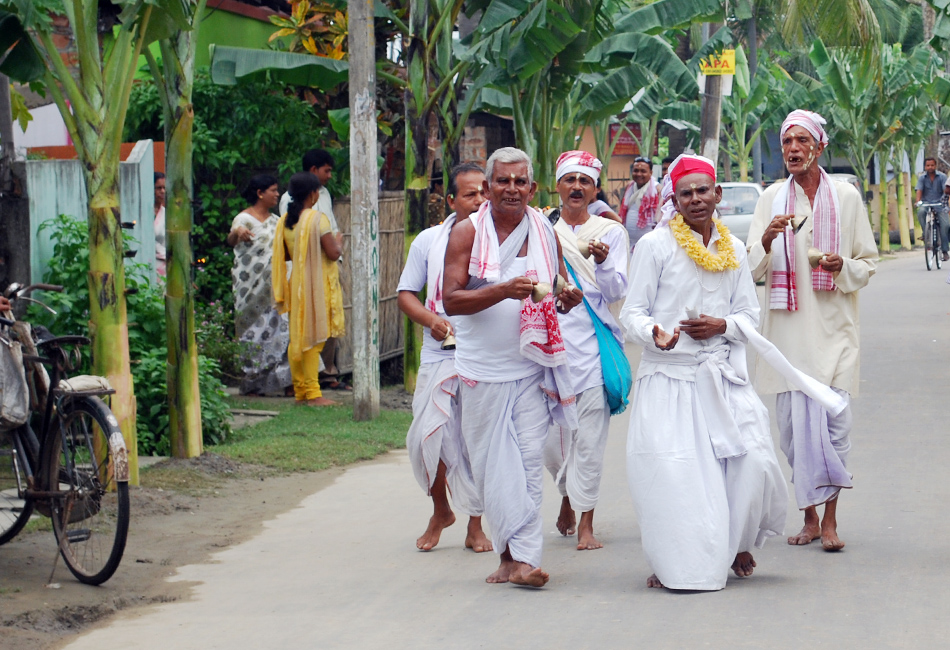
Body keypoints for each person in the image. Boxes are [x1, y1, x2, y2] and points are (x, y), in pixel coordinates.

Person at [621, 154, 788, 591]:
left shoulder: (733, 249)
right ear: (674, 200)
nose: (695, 199)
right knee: (676, 476)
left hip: (721, 374)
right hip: (668, 378)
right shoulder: (654, 246)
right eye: (685, 193)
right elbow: (632, 313)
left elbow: (748, 314)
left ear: (717, 194)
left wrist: (722, 326)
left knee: (753, 462)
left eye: (702, 190)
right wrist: (654, 332)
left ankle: (738, 542)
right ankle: (673, 561)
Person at [442, 147, 583, 588]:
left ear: (533, 188)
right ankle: (508, 557)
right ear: (487, 188)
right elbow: (451, 300)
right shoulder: (466, 232)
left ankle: (523, 560)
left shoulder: (545, 231)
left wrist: (567, 297)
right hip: (482, 371)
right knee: (493, 468)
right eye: (503, 181)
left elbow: (558, 287)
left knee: (526, 463)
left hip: (531, 368)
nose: (512, 189)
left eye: (520, 181)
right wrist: (502, 290)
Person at [747, 110, 877, 551]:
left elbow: (867, 263)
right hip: (787, 337)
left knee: (835, 431)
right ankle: (809, 518)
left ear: (820, 147)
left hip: (835, 332)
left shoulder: (846, 197)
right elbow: (750, 268)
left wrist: (842, 266)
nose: (793, 149)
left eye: (802, 140)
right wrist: (767, 240)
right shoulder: (771, 199)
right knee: (793, 437)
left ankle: (831, 521)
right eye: (787, 142)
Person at [397, 163, 492, 553]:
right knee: (426, 436)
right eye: (470, 194)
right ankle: (441, 510)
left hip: (484, 354)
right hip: (439, 352)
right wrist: (432, 321)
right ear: (451, 201)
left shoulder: (503, 240)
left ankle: (475, 525)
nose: (480, 200)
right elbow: (406, 294)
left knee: (475, 441)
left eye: (484, 192)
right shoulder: (428, 240)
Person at [544, 151, 629, 550]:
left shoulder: (610, 233)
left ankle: (586, 523)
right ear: (558, 186)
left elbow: (616, 293)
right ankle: (567, 494)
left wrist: (605, 263)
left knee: (590, 441)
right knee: (551, 442)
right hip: (548, 348)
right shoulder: (542, 228)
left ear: (596, 190)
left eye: (585, 181)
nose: (577, 187)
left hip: (593, 348)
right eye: (570, 179)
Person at [272, 173, 345, 406]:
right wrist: (339, 241)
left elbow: (285, 254)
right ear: (313, 194)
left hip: (297, 285)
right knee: (315, 337)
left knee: (298, 336)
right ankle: (313, 393)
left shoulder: (285, 221)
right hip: (318, 285)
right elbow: (333, 253)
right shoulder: (317, 219)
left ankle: (301, 391)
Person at [227, 174, 292, 396]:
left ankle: (283, 382)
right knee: (252, 333)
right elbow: (231, 240)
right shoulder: (243, 219)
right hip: (250, 288)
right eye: (273, 190)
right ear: (260, 193)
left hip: (275, 289)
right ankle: (252, 383)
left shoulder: (276, 221)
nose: (277, 194)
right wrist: (237, 233)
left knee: (280, 331)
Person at [619, 156, 659, 250]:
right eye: (636, 170)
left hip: (650, 245)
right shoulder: (629, 187)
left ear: (651, 173)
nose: (639, 174)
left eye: (643, 171)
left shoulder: (657, 189)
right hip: (629, 243)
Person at [915, 157, 950, 261]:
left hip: (940, 204)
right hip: (926, 203)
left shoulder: (942, 177)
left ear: (935, 166)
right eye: (928, 165)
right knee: (921, 212)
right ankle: (925, 233)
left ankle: (945, 251)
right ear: (925, 167)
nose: (930, 167)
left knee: (945, 225)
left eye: (932, 165)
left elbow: (946, 191)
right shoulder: (922, 178)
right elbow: (919, 190)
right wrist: (918, 201)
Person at [154, 172, 167, 277]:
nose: (162, 191)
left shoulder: (166, 214)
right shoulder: (144, 213)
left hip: (165, 265)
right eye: (159, 188)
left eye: (164, 188)